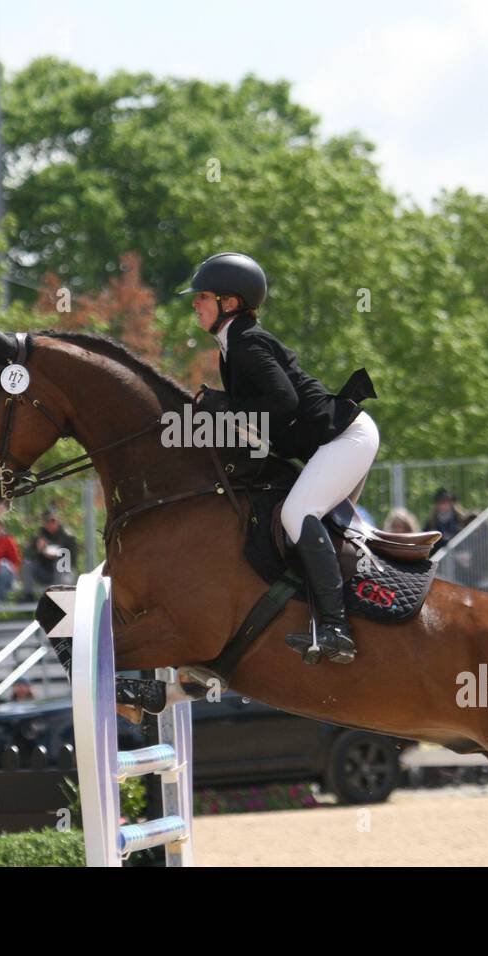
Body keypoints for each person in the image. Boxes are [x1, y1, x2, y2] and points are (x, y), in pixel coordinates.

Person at [180, 251, 378, 664]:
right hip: (331, 442)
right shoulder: (232, 344)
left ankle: (337, 628)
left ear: (229, 303)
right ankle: (320, 618)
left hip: (345, 438)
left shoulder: (246, 342)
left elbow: (283, 400)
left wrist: (227, 409)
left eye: (203, 296)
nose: (194, 303)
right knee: (303, 527)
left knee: (296, 514)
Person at [20, 509, 78, 599]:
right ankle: (28, 596)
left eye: (53, 520)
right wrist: (39, 550)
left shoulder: (68, 536)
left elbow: (72, 561)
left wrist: (57, 555)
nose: (50, 524)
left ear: (58, 520)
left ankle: (58, 598)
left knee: (59, 564)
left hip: (64, 575)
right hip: (45, 573)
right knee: (27, 564)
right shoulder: (39, 535)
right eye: (47, 521)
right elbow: (27, 555)